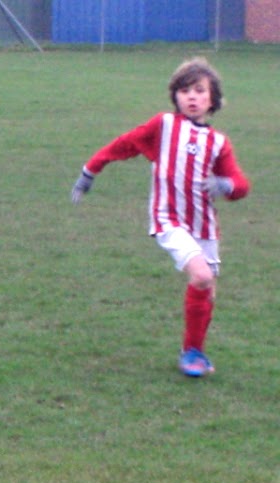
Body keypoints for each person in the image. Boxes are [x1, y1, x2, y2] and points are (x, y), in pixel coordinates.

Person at [70, 57, 249, 379]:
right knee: (202, 277)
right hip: (168, 219)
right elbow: (123, 144)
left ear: (213, 99)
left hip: (204, 225)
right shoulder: (164, 125)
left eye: (199, 90)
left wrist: (226, 185)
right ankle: (192, 353)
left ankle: (194, 349)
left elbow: (241, 186)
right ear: (175, 97)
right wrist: (90, 170)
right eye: (184, 90)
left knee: (207, 288)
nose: (191, 97)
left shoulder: (219, 142)